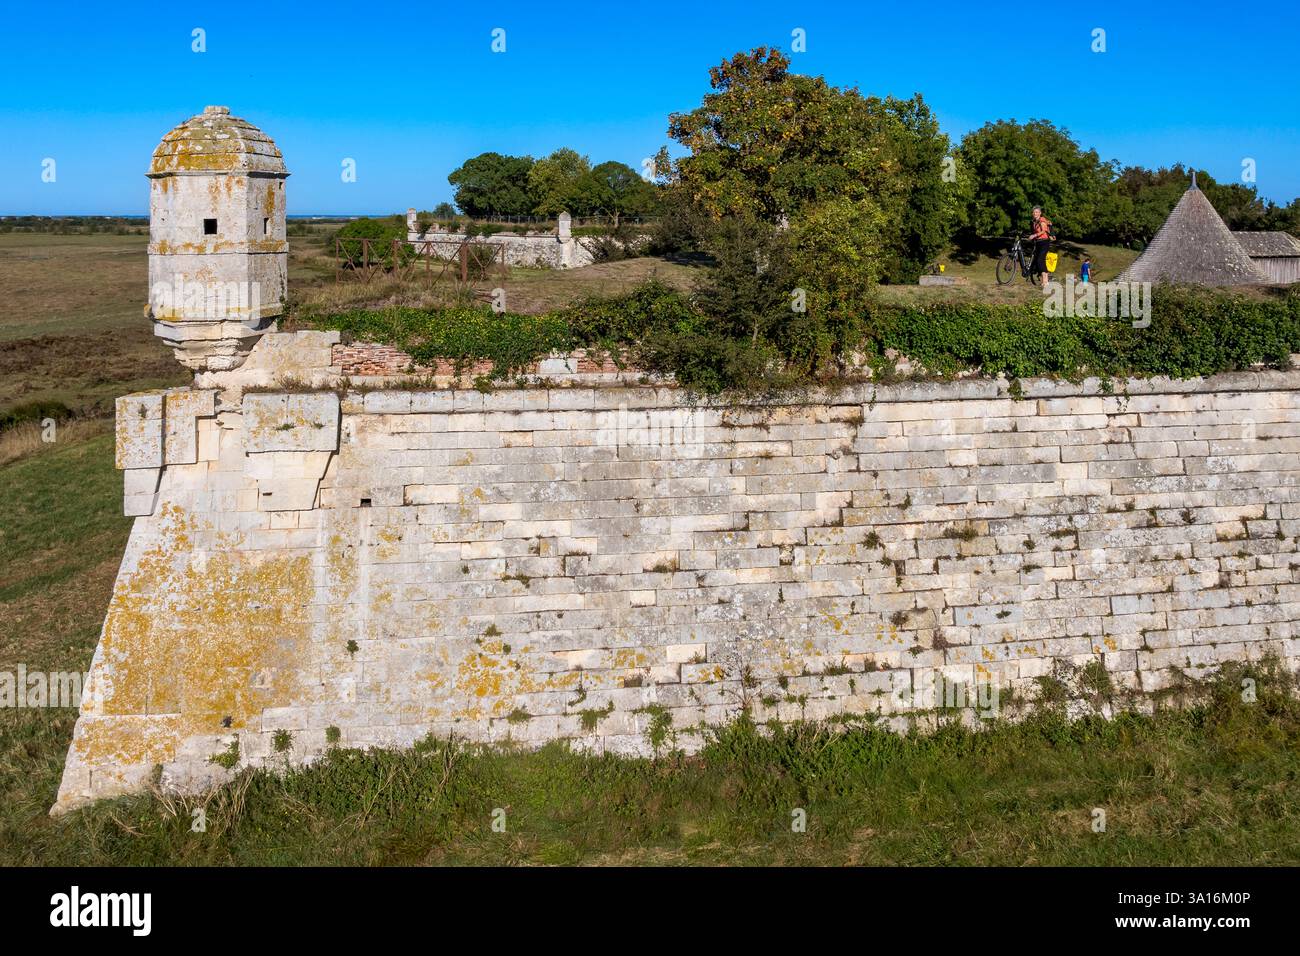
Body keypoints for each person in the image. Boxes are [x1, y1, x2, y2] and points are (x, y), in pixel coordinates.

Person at [1027, 206, 1053, 290]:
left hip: (1045, 242)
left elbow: (1044, 231)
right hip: (1038, 242)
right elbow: (1033, 231)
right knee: (1037, 261)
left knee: (1040, 260)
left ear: (1040, 213)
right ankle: (1043, 280)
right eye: (1034, 212)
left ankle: (1046, 281)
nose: (1035, 214)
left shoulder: (1042, 220)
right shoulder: (1033, 222)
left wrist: (1034, 235)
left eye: (1037, 212)